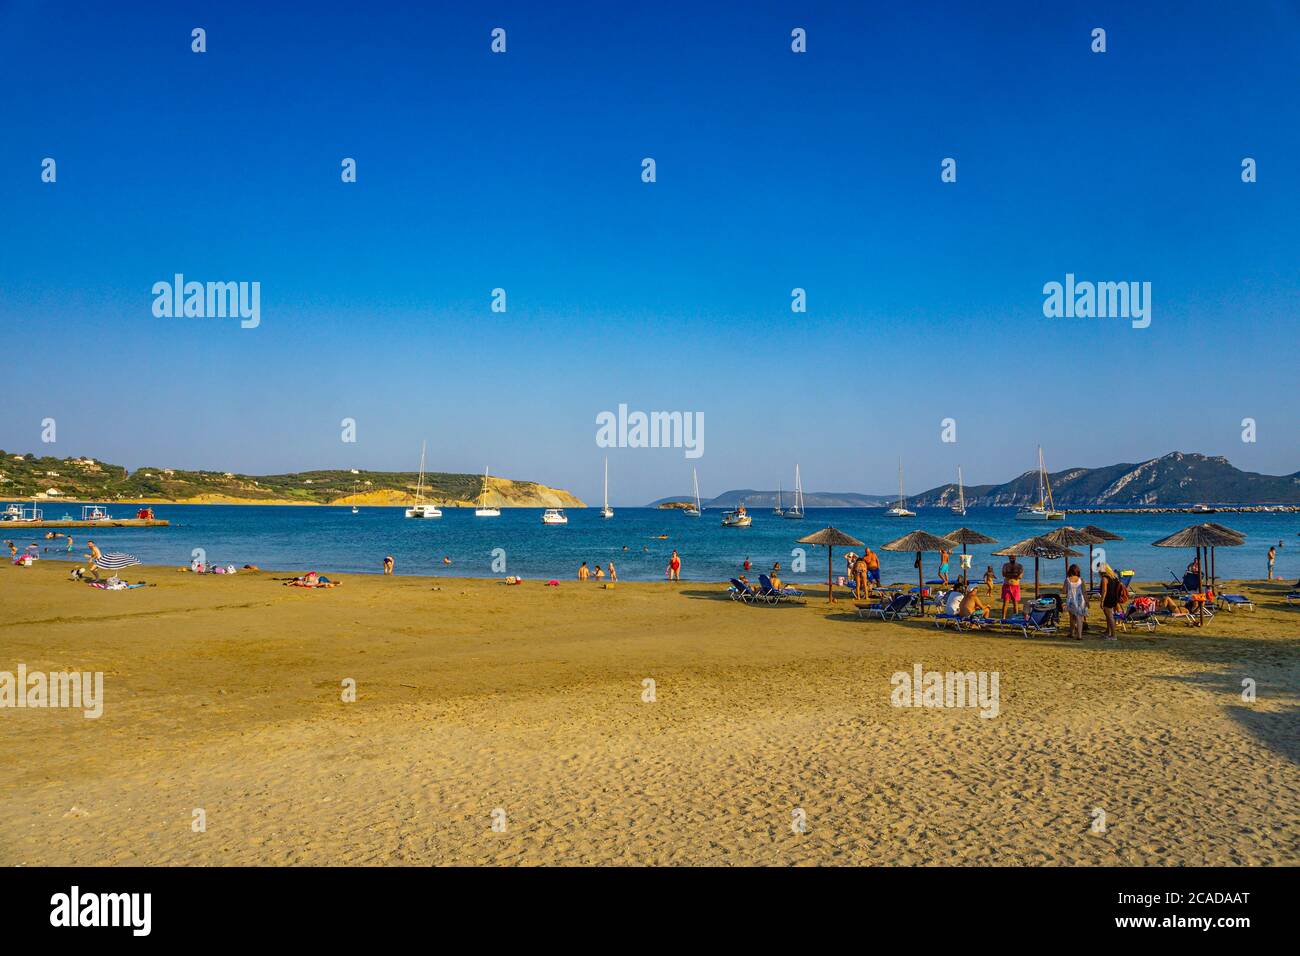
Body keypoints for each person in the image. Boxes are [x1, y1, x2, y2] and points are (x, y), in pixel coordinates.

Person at [1064, 563, 1087, 640]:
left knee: (1072, 618)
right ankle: (1079, 635)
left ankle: (1072, 633)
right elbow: (1084, 592)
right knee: (1079, 618)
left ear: (1070, 571)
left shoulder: (1067, 580)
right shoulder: (1081, 580)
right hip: (1080, 601)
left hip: (1071, 601)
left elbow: (1064, 591)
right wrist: (1087, 602)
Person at [1098, 564, 1122, 640]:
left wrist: (1102, 601)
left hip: (1108, 599)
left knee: (1110, 616)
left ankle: (1113, 636)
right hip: (1113, 598)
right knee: (1109, 616)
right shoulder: (1114, 577)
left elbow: (1104, 591)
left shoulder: (1105, 578)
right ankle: (1108, 632)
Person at [999, 556, 1024, 620]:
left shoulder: (1019, 566)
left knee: (1015, 603)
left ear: (1016, 558)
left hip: (1015, 586)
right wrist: (1014, 575)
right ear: (1009, 558)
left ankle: (1016, 617)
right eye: (1011, 557)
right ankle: (1003, 617)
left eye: (1013, 557)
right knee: (1005, 602)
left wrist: (1010, 574)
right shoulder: (1006, 565)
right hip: (1007, 585)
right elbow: (1003, 574)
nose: (1012, 559)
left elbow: (1020, 576)